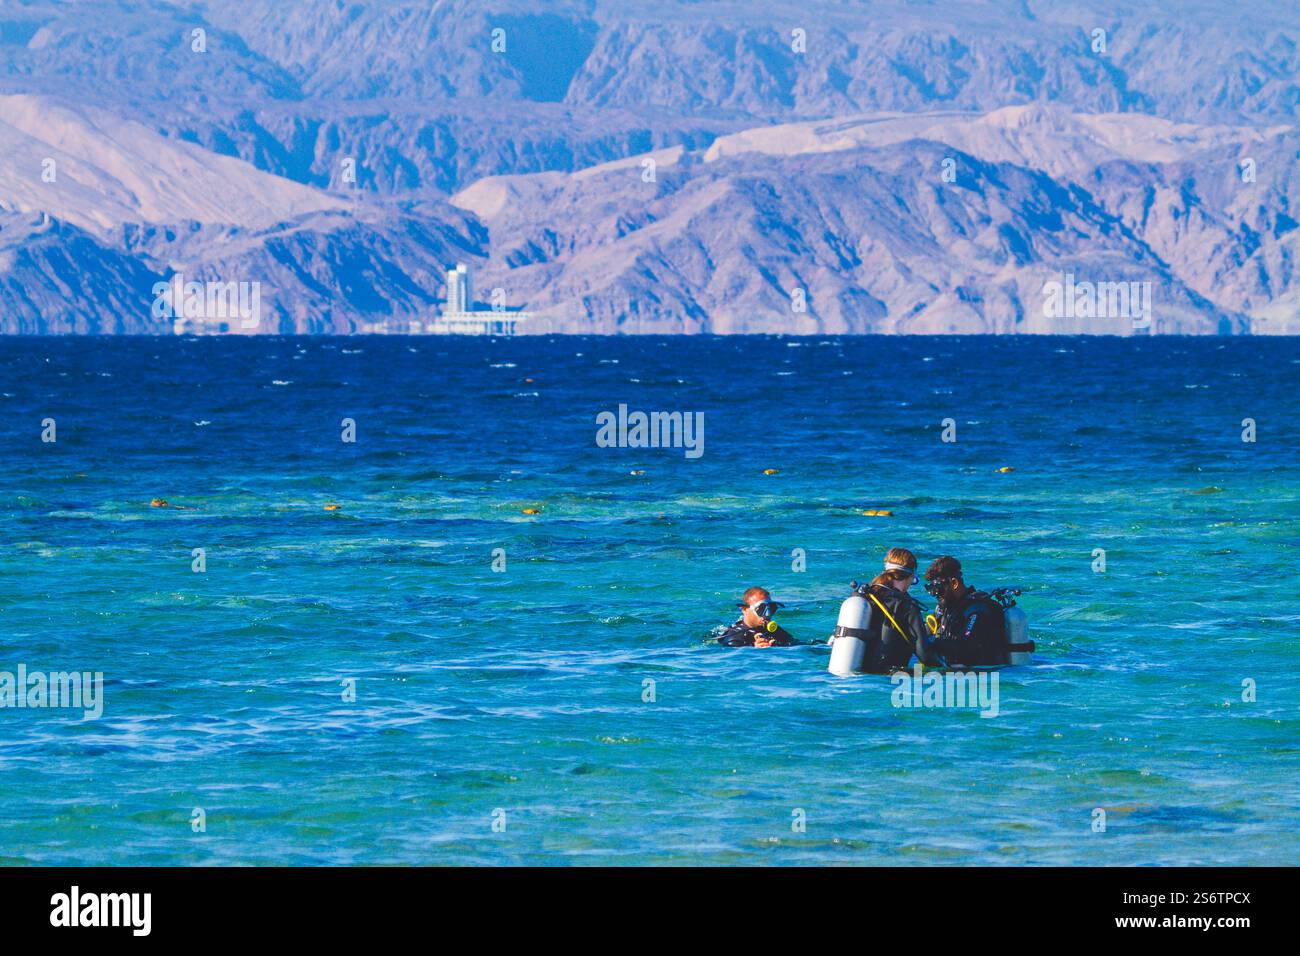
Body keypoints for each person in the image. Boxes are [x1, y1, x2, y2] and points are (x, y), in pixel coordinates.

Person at [854, 548, 939, 673]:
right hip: (887, 679)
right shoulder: (907, 607)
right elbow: (925, 655)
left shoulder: (867, 596)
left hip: (856, 672)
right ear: (911, 576)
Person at [923, 555, 1008, 666]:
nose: (936, 594)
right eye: (932, 590)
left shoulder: (977, 610)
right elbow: (926, 636)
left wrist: (934, 642)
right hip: (956, 672)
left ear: (954, 583)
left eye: (939, 589)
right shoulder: (944, 609)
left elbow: (967, 649)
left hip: (984, 676)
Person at [717, 587, 795, 647]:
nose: (767, 614)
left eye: (771, 608)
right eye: (761, 609)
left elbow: (799, 646)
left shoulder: (775, 631)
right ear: (745, 609)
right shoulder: (733, 637)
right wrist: (755, 650)